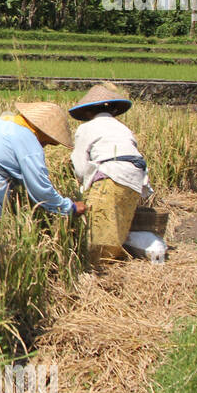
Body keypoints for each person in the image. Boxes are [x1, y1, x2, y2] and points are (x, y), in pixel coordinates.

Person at [68, 83, 153, 268]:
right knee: (119, 221)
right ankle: (113, 261)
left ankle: (98, 265)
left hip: (111, 173)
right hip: (135, 176)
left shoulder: (86, 128)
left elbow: (81, 167)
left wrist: (80, 186)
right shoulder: (123, 128)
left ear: (88, 112)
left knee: (99, 225)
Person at [0, 102, 86, 220]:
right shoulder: (28, 139)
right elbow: (40, 188)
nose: (44, 145)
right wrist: (69, 207)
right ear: (44, 132)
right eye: (47, 141)